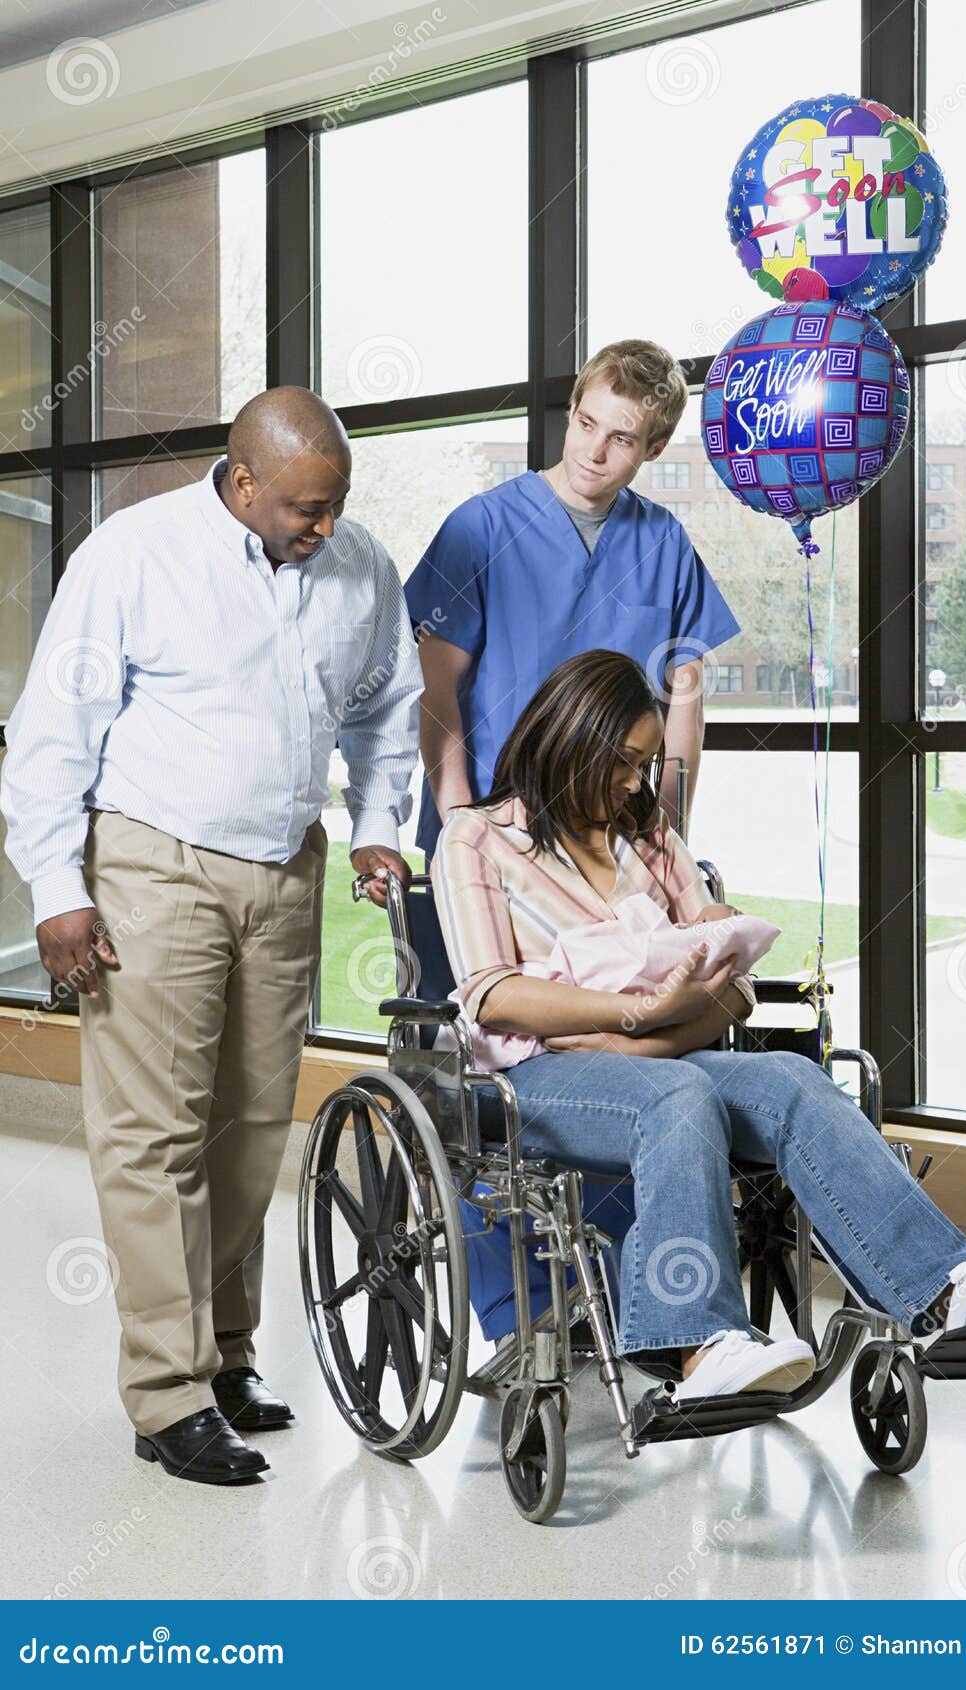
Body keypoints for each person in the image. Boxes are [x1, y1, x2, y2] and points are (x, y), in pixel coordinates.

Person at [0, 388, 422, 1483]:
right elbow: (52, 729)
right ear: (241, 482)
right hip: (152, 859)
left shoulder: (359, 564)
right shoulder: (134, 555)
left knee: (247, 1128)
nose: (322, 527)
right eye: (303, 508)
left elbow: (387, 706)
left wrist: (377, 825)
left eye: (333, 506)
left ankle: (225, 1356)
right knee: (153, 1134)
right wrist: (56, 885)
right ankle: (166, 1392)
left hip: (284, 867)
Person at [431, 650, 966, 1398]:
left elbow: (733, 986)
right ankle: (697, 1346)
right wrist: (640, 1010)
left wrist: (645, 1033)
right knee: (675, 1097)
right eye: (622, 762)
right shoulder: (478, 838)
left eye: (646, 764)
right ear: (568, 738)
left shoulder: (649, 839)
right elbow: (493, 992)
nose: (634, 782)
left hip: (659, 1060)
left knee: (788, 1077)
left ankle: (941, 1290)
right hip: (536, 1080)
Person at [405, 339, 740, 869]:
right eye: (586, 424)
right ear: (572, 412)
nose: (594, 451)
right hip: (493, 827)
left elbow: (685, 704)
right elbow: (436, 690)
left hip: (613, 842)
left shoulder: (664, 543)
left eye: (621, 438)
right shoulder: (481, 528)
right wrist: (462, 832)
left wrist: (668, 839)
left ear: (654, 448)